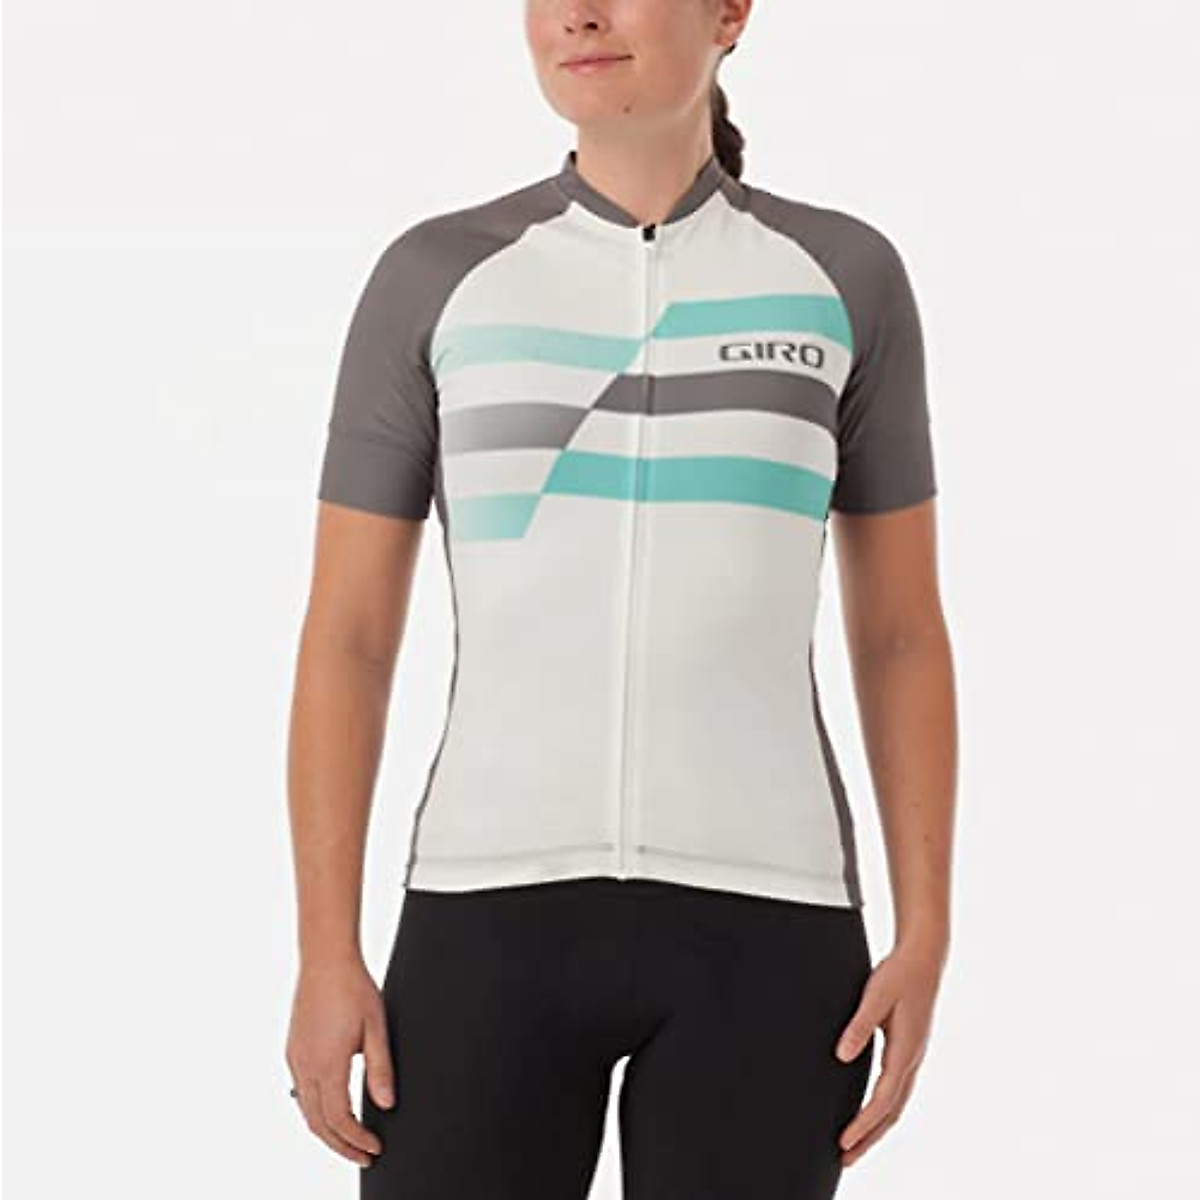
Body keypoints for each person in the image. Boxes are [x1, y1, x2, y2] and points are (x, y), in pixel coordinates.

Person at [285, 2, 958, 1197]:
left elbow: (901, 634)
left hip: (771, 923)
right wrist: (324, 950)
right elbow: (348, 639)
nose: (579, 15)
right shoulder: (439, 278)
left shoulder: (842, 277)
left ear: (729, 12)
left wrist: (927, 931)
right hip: (486, 912)